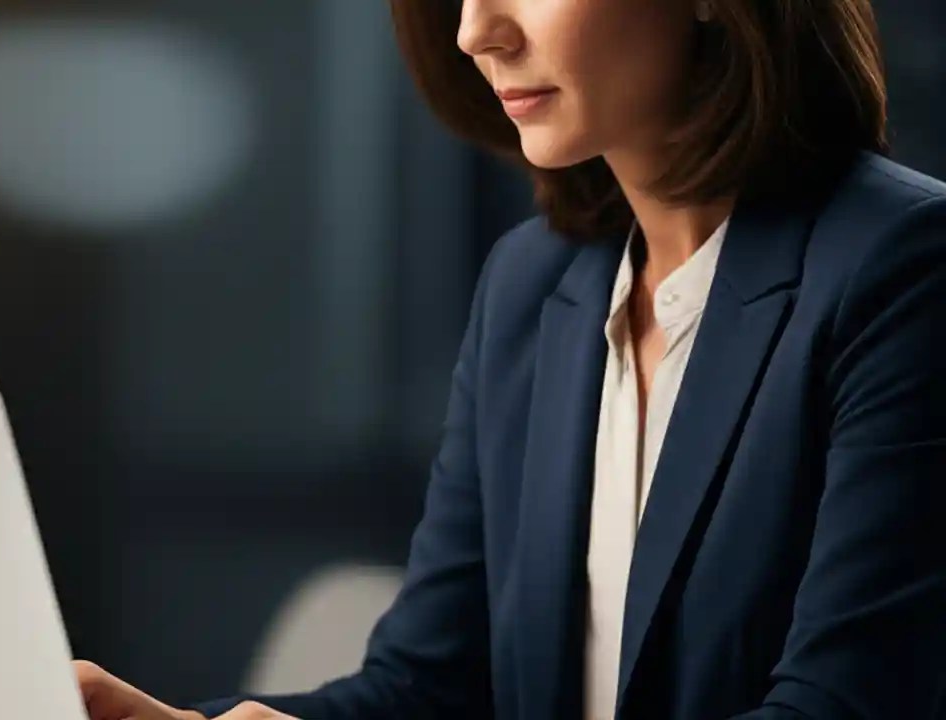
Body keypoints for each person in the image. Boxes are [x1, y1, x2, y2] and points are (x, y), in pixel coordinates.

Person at [76, 0, 946, 717]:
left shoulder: (903, 265)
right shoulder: (532, 288)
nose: (474, 29)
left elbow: (845, 706)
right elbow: (433, 683)